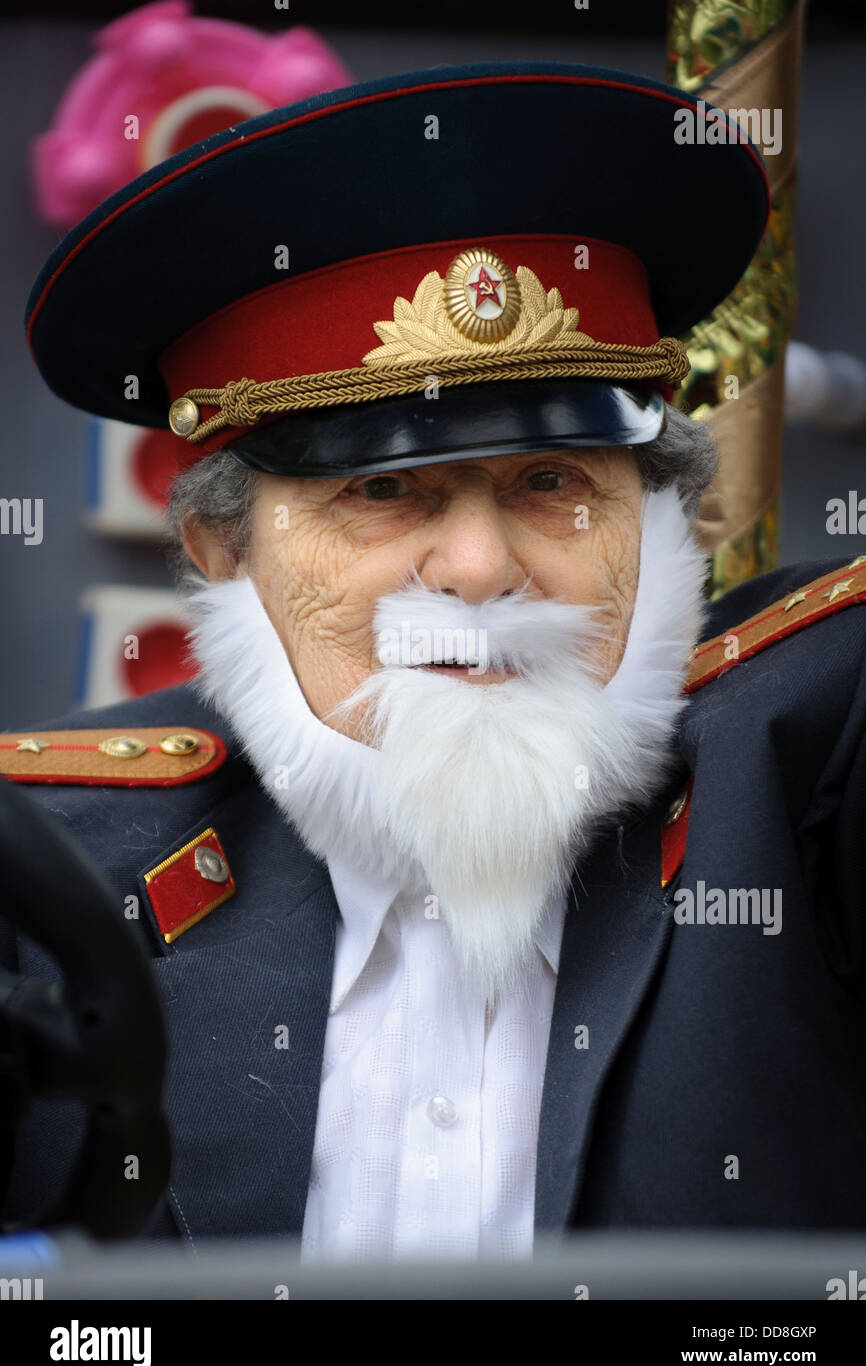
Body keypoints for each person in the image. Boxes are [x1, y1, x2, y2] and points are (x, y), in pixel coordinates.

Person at [3, 61, 865, 1259]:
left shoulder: (800, 767)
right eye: (382, 488)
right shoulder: (40, 887)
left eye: (552, 482)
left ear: (658, 518)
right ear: (223, 546)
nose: (474, 567)